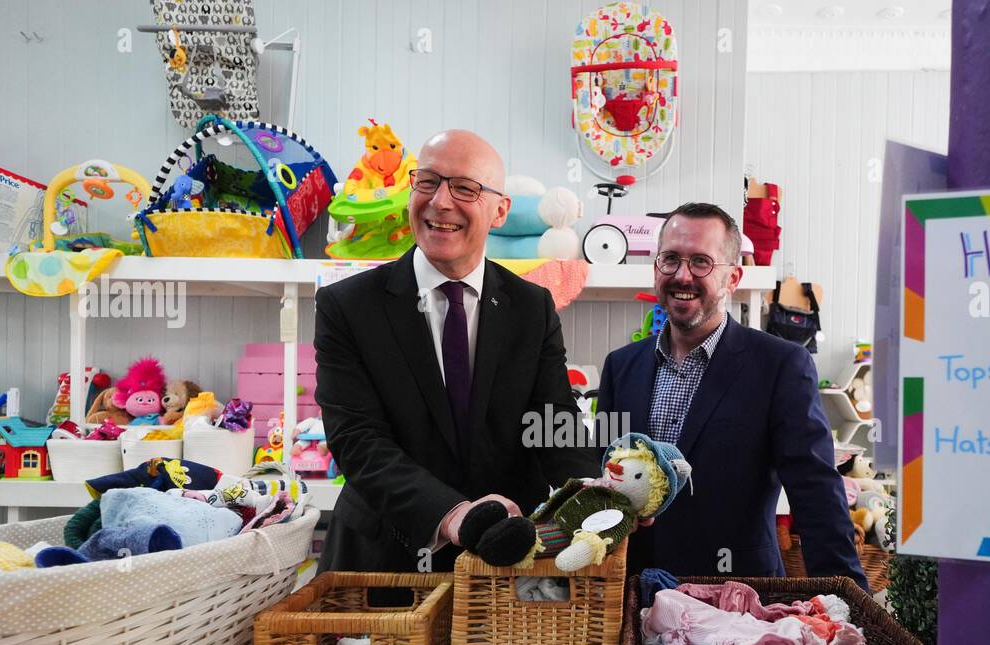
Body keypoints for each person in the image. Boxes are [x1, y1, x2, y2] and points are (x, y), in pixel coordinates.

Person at [314, 129, 600, 573]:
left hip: (504, 560)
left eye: (464, 188)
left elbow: (552, 423)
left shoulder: (532, 307)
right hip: (384, 560)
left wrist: (593, 496)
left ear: (500, 211)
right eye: (427, 181)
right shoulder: (348, 306)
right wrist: (453, 515)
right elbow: (357, 439)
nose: (440, 202)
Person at [599, 201, 869, 589]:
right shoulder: (620, 366)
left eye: (701, 263)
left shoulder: (780, 365)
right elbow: (607, 475)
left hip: (738, 598)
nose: (682, 275)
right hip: (633, 590)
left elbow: (815, 489)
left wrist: (848, 596)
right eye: (670, 259)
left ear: (733, 277)